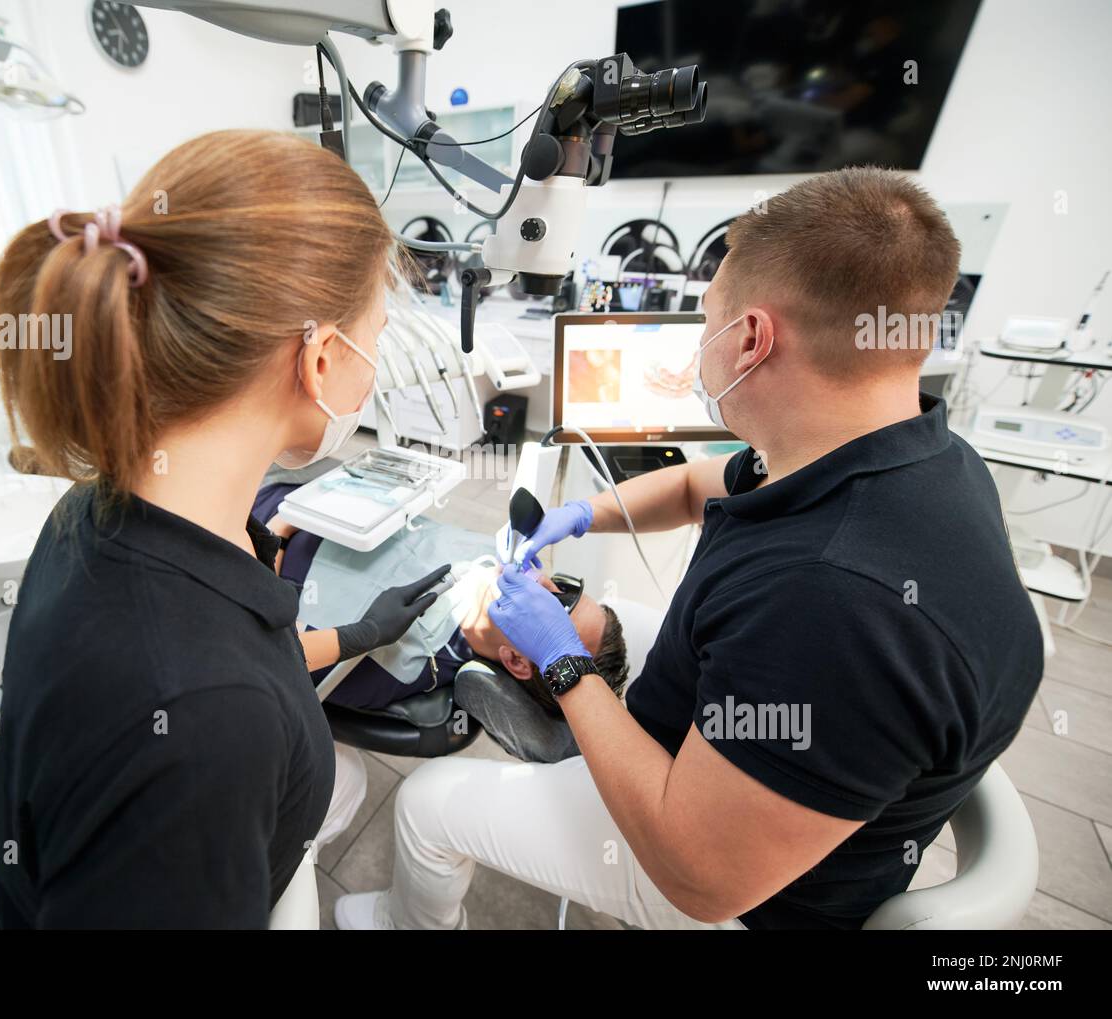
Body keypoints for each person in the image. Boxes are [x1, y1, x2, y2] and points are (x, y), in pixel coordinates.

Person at [335, 166, 1044, 931]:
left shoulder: (833, 601)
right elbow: (689, 488)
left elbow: (698, 877)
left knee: (427, 805)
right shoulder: (891, 451)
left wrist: (568, 668)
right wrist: (579, 515)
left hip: (727, 880)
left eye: (705, 318)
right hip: (769, 744)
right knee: (622, 615)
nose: (698, 341)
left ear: (751, 338)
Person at [0, 129, 444, 928]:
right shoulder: (200, 731)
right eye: (377, 333)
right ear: (324, 359)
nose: (376, 360)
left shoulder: (91, 516)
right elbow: (213, 693)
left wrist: (356, 631)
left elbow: (235, 659)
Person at [251, 481, 630, 764]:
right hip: (298, 491)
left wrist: (280, 530)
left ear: (515, 660)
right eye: (566, 589)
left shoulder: (399, 663)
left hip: (246, 531)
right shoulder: (488, 553)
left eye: (554, 608)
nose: (544, 582)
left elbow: (256, 635)